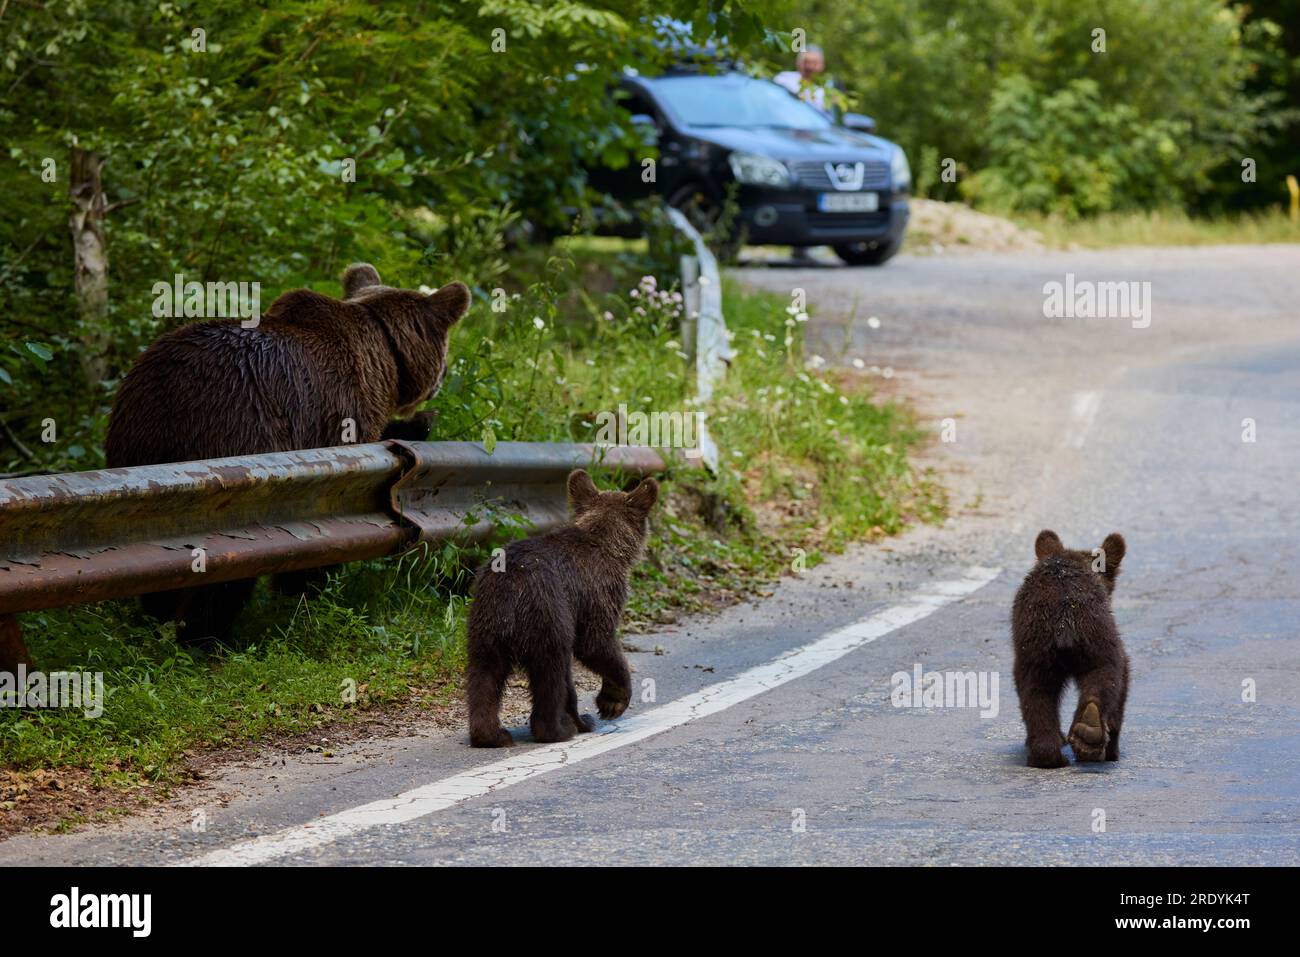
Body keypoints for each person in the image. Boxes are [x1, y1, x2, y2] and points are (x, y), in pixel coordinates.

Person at [774, 45, 829, 115]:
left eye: (814, 63)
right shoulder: (784, 79)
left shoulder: (826, 90)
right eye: (806, 62)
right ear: (798, 62)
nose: (810, 66)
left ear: (822, 65)